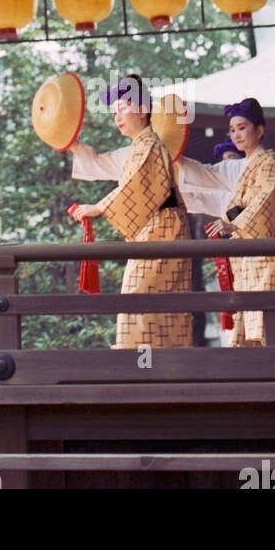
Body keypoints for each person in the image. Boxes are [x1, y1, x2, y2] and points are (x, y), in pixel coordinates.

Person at [69, 74, 192, 350]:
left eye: (123, 107)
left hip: (163, 231)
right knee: (151, 303)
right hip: (155, 231)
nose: (117, 116)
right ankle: (154, 363)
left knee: (141, 298)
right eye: (114, 111)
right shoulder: (138, 147)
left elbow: (134, 184)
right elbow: (114, 173)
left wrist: (99, 207)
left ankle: (146, 364)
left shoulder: (150, 145)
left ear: (143, 109)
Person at [178, 98, 275, 346]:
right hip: (251, 256)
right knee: (248, 326)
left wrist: (235, 223)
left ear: (259, 130)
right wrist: (174, 156)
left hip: (273, 255)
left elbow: (265, 201)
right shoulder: (242, 168)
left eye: (242, 127)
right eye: (232, 130)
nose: (236, 134)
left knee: (269, 322)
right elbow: (207, 175)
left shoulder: (271, 164)